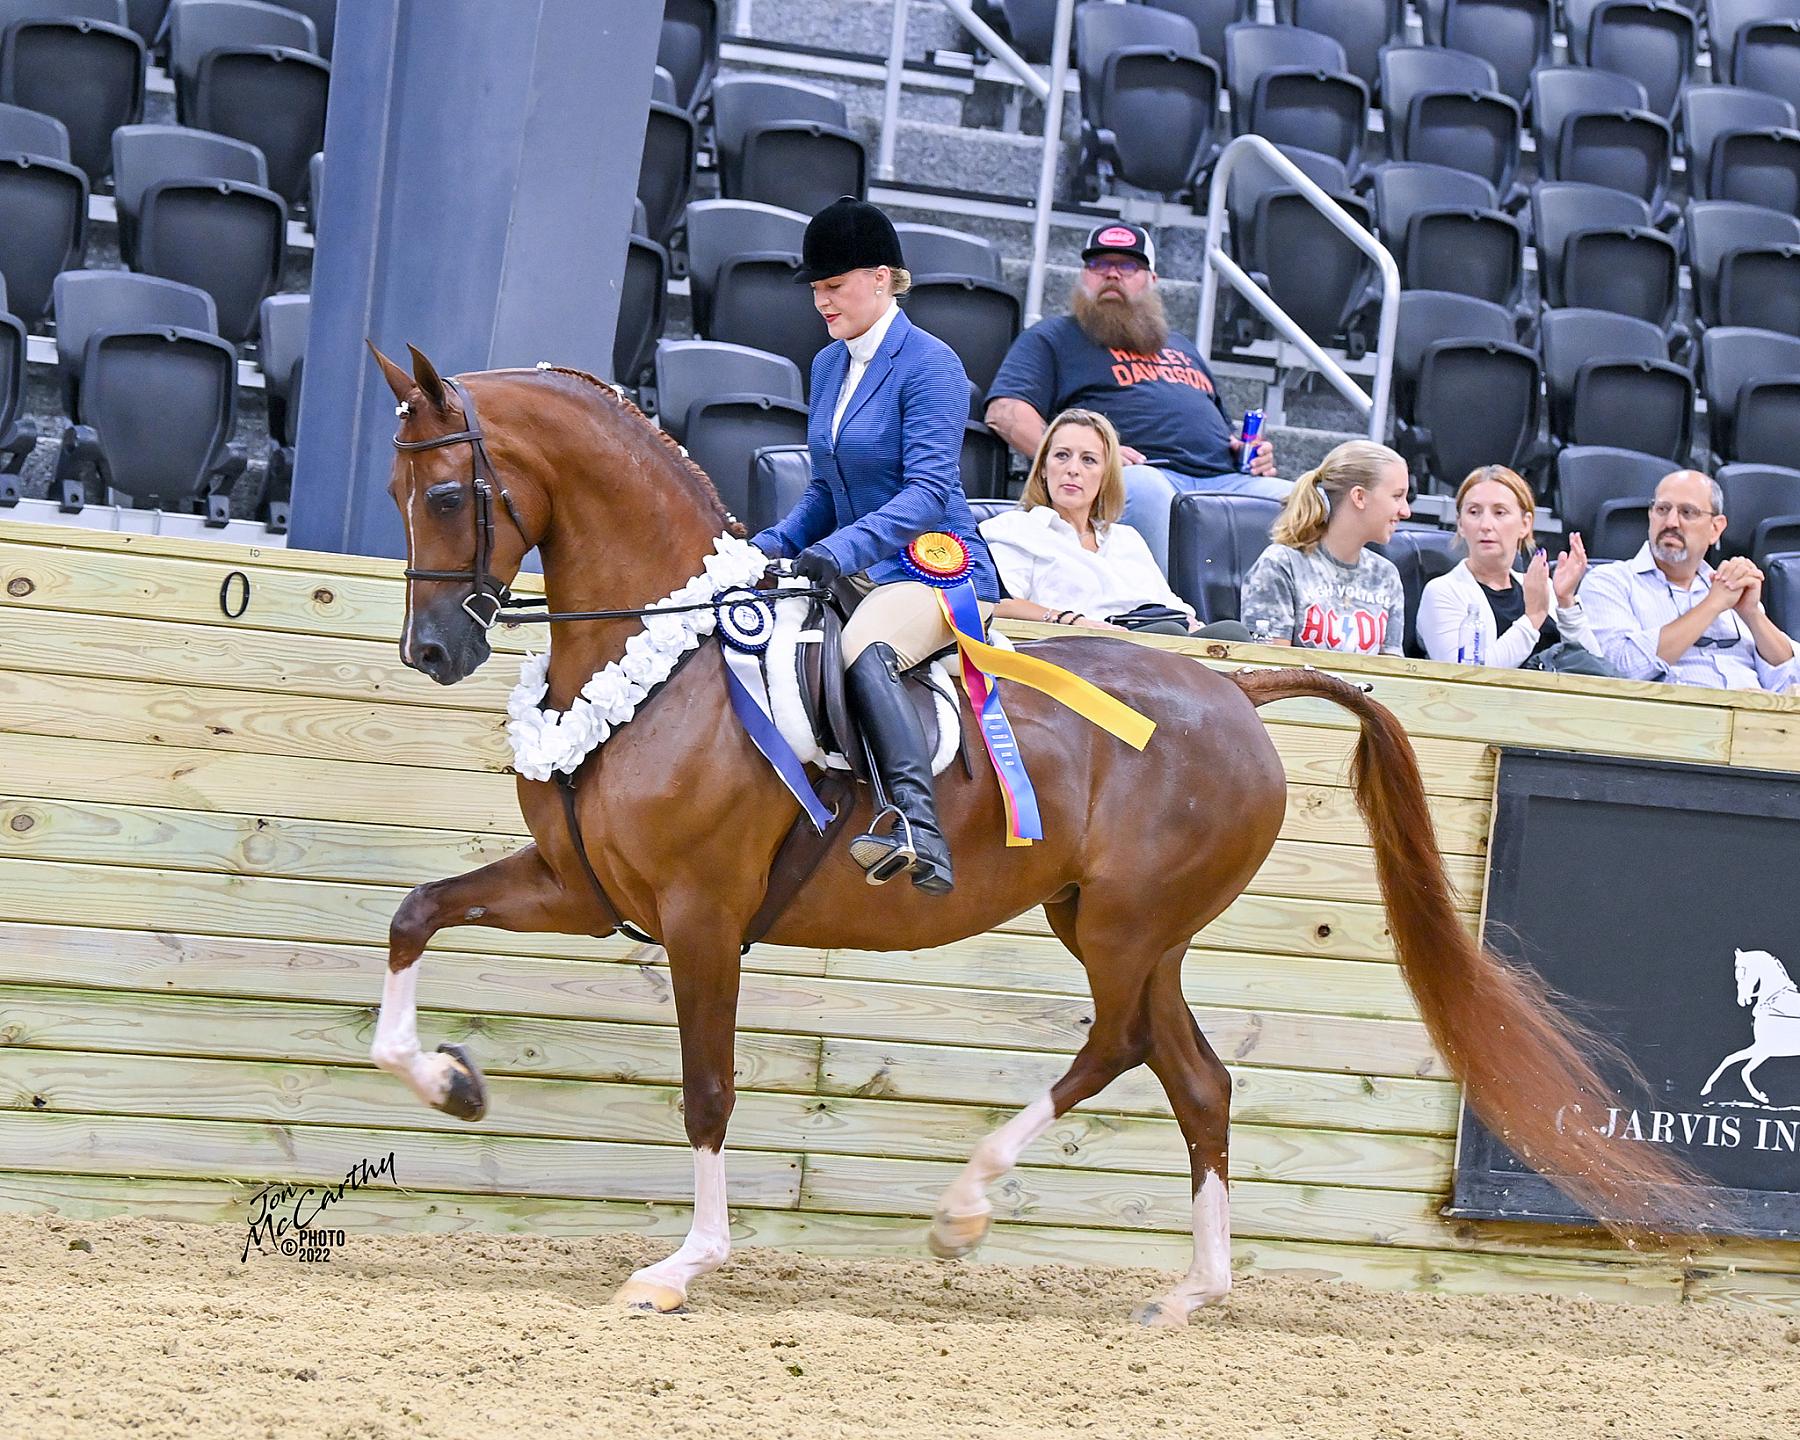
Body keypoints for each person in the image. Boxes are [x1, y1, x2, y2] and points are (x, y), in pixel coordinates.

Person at [749, 196, 1002, 895]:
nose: (820, 302)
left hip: (931, 567)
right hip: (857, 564)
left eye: (833, 287)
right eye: (816, 290)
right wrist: (760, 546)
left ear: (882, 280)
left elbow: (925, 491)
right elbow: (825, 491)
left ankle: (920, 829)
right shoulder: (828, 364)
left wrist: (844, 549)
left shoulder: (932, 366)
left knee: (866, 649)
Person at [982, 222, 1286, 570]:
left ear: (1152, 280)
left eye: (1127, 266)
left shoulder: (1181, 346)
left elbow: (1222, 430)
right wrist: (1083, 459)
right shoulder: (1053, 337)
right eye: (1099, 265)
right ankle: (1157, 613)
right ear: (1083, 276)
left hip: (1223, 478)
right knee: (1146, 488)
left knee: (1305, 501)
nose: (1112, 274)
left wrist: (1251, 452)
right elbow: (1004, 412)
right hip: (1139, 473)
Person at [981, 407, 1250, 639]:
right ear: (1042, 468)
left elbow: (1169, 606)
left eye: (1088, 460)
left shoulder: (1126, 538)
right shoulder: (1016, 528)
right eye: (1062, 455)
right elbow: (996, 604)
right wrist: (1074, 621)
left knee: (1231, 634)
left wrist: (1193, 626)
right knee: (1166, 634)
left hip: (1149, 641)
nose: (1073, 469)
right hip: (1075, 649)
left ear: (1106, 476)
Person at [1578, 469, 1798, 693]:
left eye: (1687, 512)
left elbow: (1790, 680)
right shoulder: (1609, 582)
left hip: (1759, 718)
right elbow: (1620, 669)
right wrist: (1712, 605)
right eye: (1663, 509)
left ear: (1716, 528)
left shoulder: (1731, 587)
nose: (1671, 522)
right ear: (1650, 516)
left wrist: (1752, 615)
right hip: (1677, 722)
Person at [1417, 465, 1611, 672]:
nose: (1486, 524)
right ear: (1461, 525)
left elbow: (1596, 670)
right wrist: (1533, 618)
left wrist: (1566, 602)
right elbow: (1464, 676)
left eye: (1499, 512)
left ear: (1525, 524)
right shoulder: (1443, 592)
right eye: (1474, 512)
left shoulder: (1542, 587)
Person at [1239, 440, 1409, 655]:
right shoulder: (1281, 564)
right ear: (1359, 497)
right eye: (1397, 496)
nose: (1405, 511)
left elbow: (1393, 671)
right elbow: (1270, 670)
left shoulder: (1386, 575)